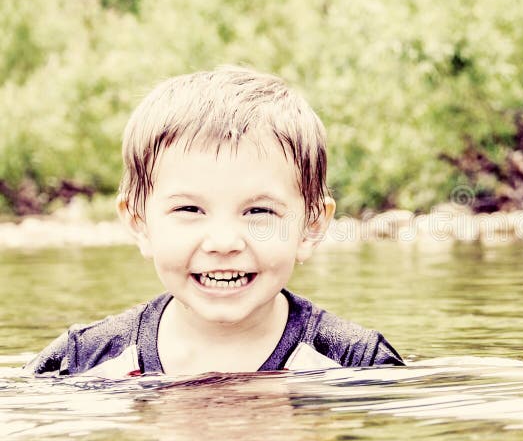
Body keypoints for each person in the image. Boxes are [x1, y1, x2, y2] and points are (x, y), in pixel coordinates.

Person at [25, 67, 403, 377]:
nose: (223, 242)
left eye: (259, 211)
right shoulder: (81, 362)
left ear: (311, 226)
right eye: (189, 210)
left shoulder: (357, 364)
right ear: (140, 223)